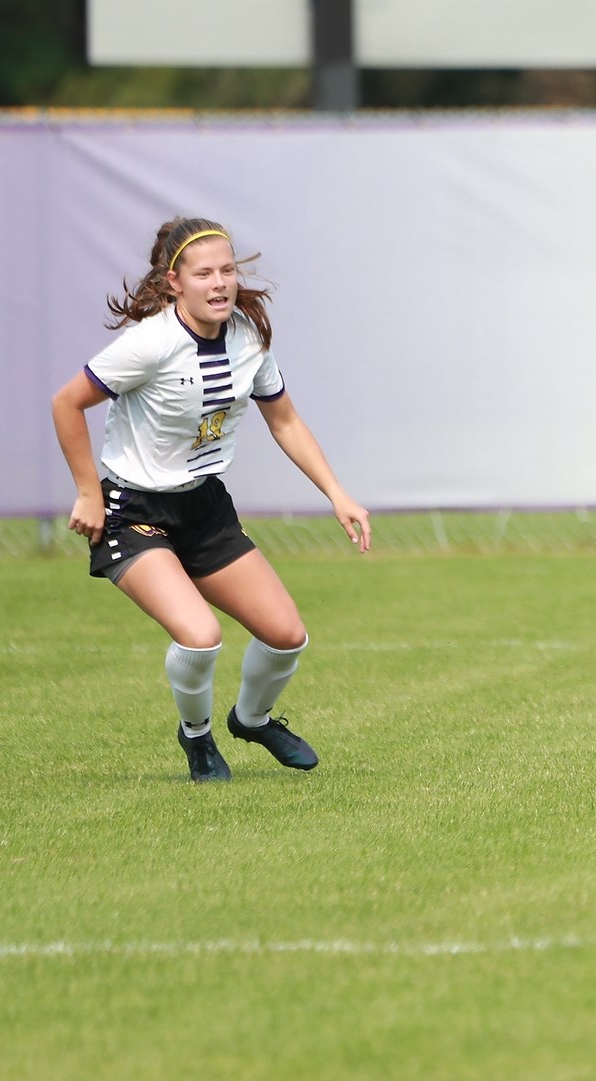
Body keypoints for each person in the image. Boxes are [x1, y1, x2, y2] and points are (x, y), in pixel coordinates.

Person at [49, 216, 370, 783]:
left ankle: (252, 719)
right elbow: (66, 404)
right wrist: (86, 494)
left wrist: (338, 494)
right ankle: (197, 739)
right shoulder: (151, 343)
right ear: (174, 282)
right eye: (204, 274)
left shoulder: (248, 335)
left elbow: (286, 420)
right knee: (200, 638)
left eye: (227, 270)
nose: (220, 282)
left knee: (287, 635)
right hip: (134, 513)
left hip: (204, 506)